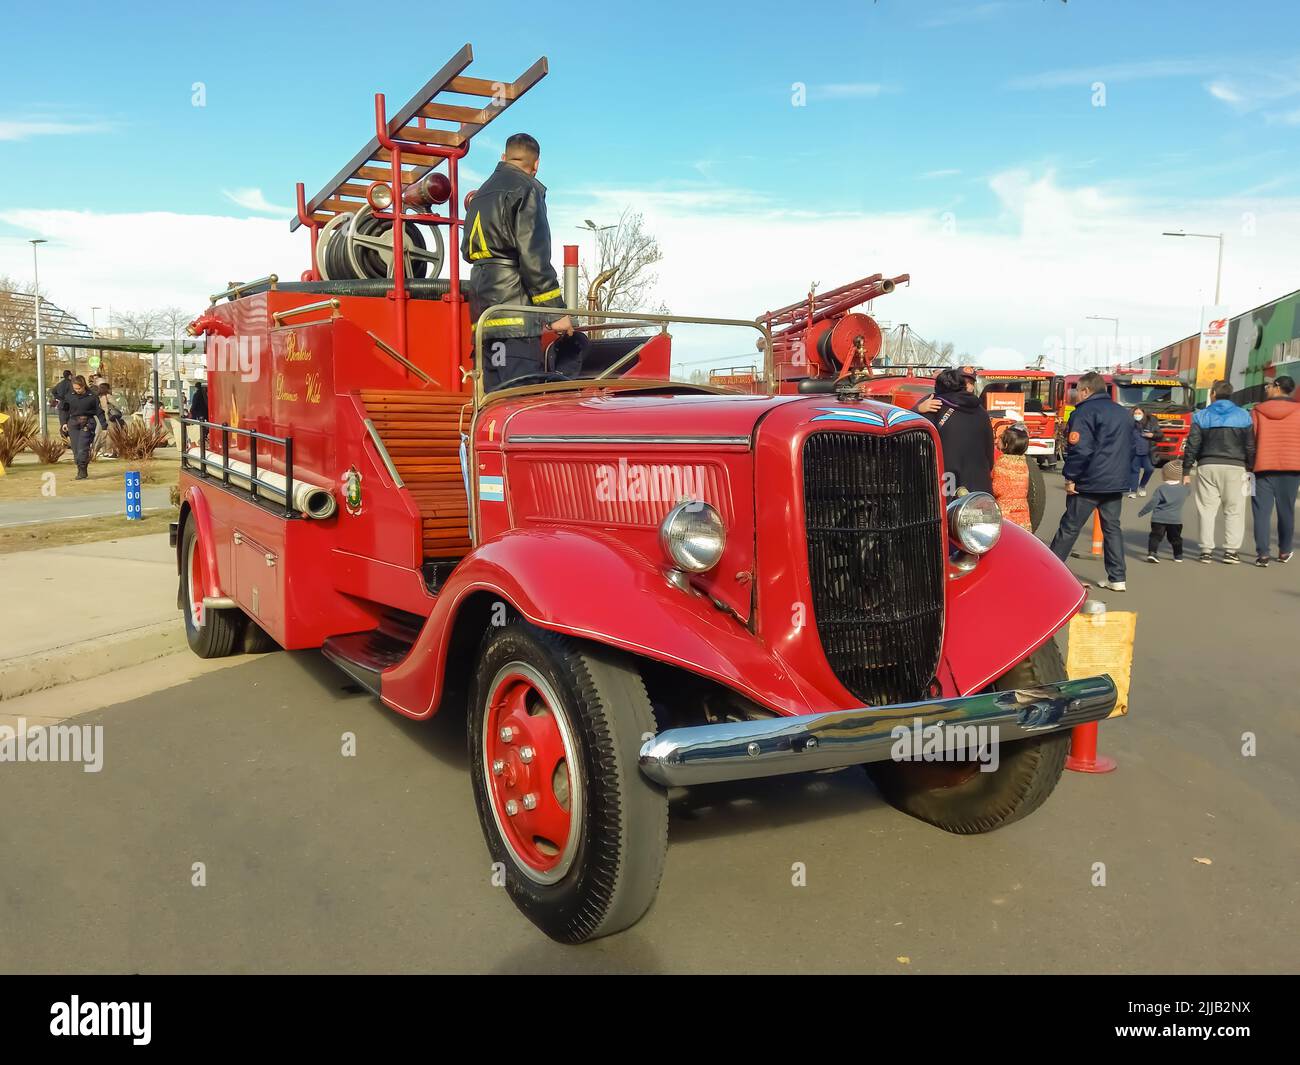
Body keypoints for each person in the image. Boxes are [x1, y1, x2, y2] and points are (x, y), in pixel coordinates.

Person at [460, 132, 574, 392]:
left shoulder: (481, 194)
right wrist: (556, 312)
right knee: (518, 404)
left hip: (484, 317)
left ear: (504, 157)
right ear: (536, 165)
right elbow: (534, 259)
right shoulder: (527, 189)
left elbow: (467, 251)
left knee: (493, 406)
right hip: (517, 319)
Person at [1047, 370, 1134, 591]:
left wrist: (1071, 477)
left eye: (1076, 390)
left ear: (1086, 390)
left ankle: (1050, 573)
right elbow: (1131, 448)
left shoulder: (1083, 413)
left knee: (1070, 527)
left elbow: (1081, 450)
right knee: (1112, 529)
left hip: (1089, 480)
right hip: (1116, 481)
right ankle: (1117, 578)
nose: (1075, 395)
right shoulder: (1123, 413)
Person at [1181, 379, 1255, 564]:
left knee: (1206, 509)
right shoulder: (1244, 416)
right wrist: (1251, 467)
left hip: (1207, 465)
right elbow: (1250, 445)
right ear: (1230, 394)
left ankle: (1206, 550)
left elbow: (1193, 444)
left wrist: (1186, 469)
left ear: (1213, 393)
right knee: (1234, 509)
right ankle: (1231, 551)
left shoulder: (1201, 416)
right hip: (1236, 467)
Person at [1249, 374, 1300, 566]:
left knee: (1261, 511)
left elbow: (1250, 440)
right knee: (1286, 510)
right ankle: (1285, 551)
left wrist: (1249, 465)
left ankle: (1263, 554)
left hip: (1262, 467)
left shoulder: (1258, 411)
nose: (1267, 389)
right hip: (1292, 468)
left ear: (1277, 387)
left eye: (1269, 386)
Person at [920, 367, 993, 497]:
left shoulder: (933, 406)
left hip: (947, 483)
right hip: (980, 483)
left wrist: (918, 409)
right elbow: (990, 453)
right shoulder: (982, 412)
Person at [1139, 460, 1188, 563]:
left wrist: (1143, 512)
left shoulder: (1161, 489)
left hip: (1158, 519)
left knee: (1155, 536)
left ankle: (1152, 553)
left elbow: (1153, 503)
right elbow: (1188, 487)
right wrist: (1185, 480)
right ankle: (1178, 555)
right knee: (1176, 538)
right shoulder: (1184, 489)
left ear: (1165, 475)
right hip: (1175, 520)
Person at [59, 374, 107, 480]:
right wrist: (64, 423)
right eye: (75, 388)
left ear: (84, 385)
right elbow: (64, 410)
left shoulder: (92, 396)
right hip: (73, 424)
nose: (77, 390)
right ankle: (81, 469)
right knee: (76, 449)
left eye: (79, 388)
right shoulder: (69, 396)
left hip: (87, 423)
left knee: (82, 448)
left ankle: (82, 469)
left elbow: (100, 412)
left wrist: (104, 427)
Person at [990, 419, 1032, 531]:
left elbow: (997, 489)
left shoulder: (1002, 463)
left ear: (1006, 444)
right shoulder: (1024, 463)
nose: (997, 440)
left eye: (1000, 438)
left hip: (1005, 512)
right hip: (1023, 511)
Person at [1128, 405, 1161, 497]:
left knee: (1149, 469)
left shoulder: (1151, 422)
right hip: (1134, 452)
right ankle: (1133, 491)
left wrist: (1152, 435)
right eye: (1135, 413)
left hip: (1147, 452)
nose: (1137, 415)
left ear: (1144, 414)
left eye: (1139, 413)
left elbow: (1160, 435)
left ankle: (1142, 486)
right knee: (1135, 471)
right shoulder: (1129, 423)